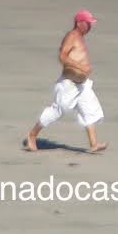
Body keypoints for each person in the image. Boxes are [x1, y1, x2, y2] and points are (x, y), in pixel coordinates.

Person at [24, 10, 105, 153]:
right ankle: (32, 135)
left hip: (82, 85)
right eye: (88, 24)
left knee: (90, 110)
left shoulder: (80, 37)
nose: (90, 27)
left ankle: (94, 144)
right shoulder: (72, 36)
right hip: (68, 84)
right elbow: (62, 56)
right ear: (79, 23)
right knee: (57, 111)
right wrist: (80, 66)